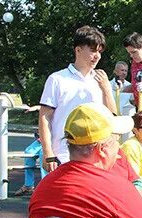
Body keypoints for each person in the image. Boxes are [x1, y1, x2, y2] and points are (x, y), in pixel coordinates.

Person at [39, 26, 117, 172]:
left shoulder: (101, 80)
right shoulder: (57, 79)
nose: (97, 56)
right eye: (93, 50)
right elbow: (45, 117)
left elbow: (112, 117)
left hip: (96, 156)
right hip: (63, 155)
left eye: (100, 51)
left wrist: (106, 89)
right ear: (78, 50)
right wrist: (47, 151)